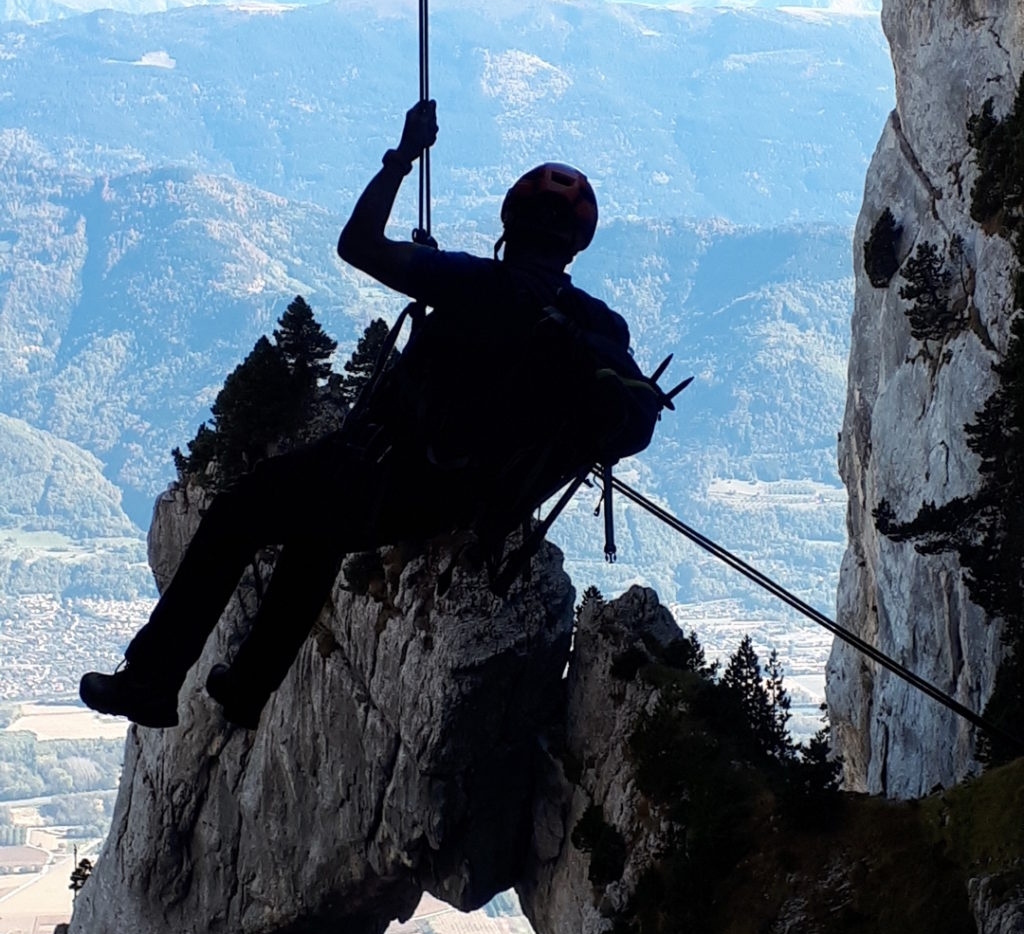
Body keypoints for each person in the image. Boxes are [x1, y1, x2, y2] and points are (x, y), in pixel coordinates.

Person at [80, 101, 664, 731]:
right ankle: (247, 689)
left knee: (236, 514)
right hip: (456, 498)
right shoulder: (598, 324)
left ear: (511, 220)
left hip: (385, 466)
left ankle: (150, 682)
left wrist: (402, 156)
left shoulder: (475, 284)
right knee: (319, 533)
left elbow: (357, 245)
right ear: (576, 244)